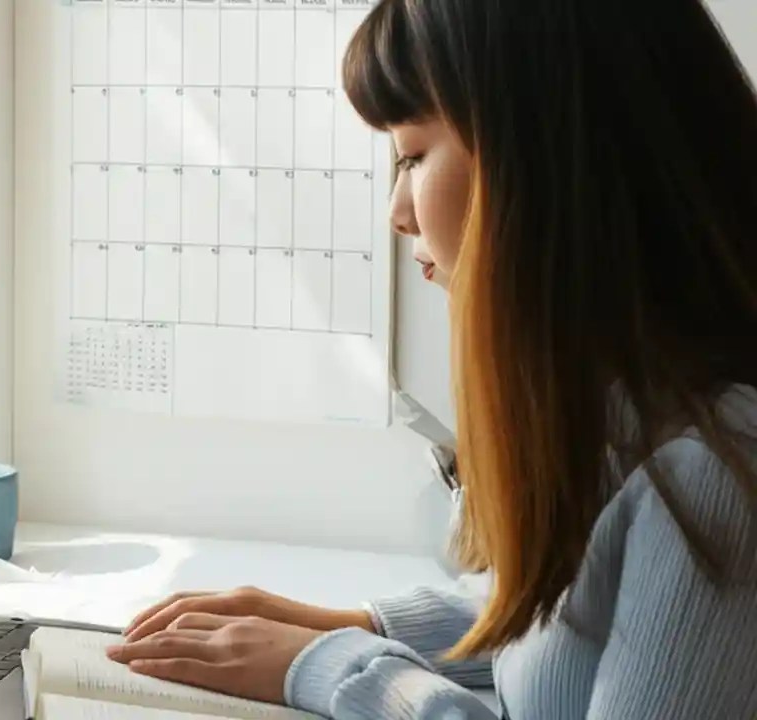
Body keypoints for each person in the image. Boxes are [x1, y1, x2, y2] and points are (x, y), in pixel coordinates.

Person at [105, 0, 757, 717]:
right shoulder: (629, 420)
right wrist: (354, 625)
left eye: (413, 155)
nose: (398, 210)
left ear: (539, 160)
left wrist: (339, 667)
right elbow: (573, 640)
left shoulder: (718, 479)